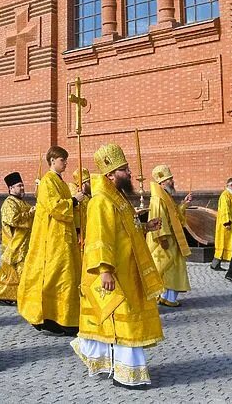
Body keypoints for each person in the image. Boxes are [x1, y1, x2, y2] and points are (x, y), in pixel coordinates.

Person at [71, 143, 164, 388]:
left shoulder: (118, 198)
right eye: (124, 169)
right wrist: (105, 270)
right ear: (110, 174)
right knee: (122, 319)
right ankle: (127, 372)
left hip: (128, 270)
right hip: (113, 273)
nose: (130, 173)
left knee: (120, 319)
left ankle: (107, 362)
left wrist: (145, 227)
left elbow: (124, 232)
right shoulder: (101, 201)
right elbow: (100, 238)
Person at [17, 145, 84, 336]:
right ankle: (48, 318)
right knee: (55, 277)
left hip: (64, 236)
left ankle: (64, 316)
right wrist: (74, 201)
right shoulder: (47, 182)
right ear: (53, 160)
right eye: (63, 160)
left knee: (67, 278)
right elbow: (55, 207)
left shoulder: (61, 182)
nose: (66, 163)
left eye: (66, 160)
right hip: (52, 239)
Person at [146, 165, 193, 307]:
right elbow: (158, 218)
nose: (173, 181)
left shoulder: (166, 197)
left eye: (171, 179)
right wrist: (162, 238)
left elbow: (174, 215)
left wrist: (184, 204)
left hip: (172, 239)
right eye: (169, 180)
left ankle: (165, 296)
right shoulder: (157, 199)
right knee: (165, 268)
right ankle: (166, 297)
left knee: (170, 269)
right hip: (164, 240)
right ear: (161, 183)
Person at [0, 172, 34, 306]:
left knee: (15, 273)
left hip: (24, 244)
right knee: (18, 272)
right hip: (14, 244)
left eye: (22, 186)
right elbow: (13, 220)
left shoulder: (22, 202)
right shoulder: (9, 203)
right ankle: (4, 296)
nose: (22, 188)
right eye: (19, 186)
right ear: (10, 188)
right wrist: (31, 213)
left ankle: (12, 296)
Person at [210, 178, 232, 270]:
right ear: (230, 185)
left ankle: (217, 264)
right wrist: (227, 222)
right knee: (222, 243)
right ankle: (215, 264)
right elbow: (224, 209)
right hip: (226, 224)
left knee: (228, 243)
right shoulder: (225, 196)